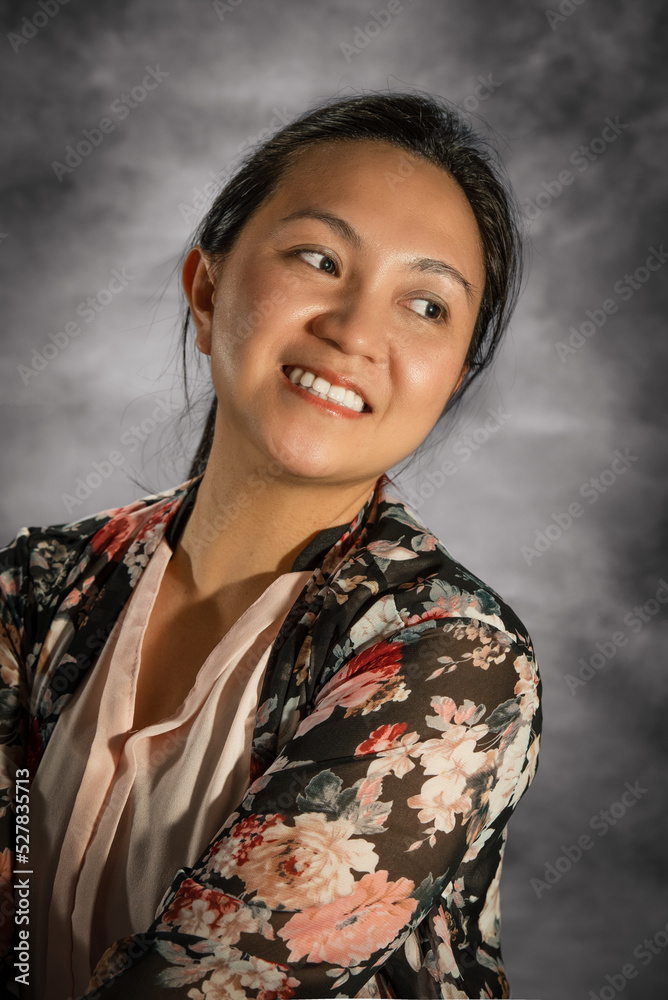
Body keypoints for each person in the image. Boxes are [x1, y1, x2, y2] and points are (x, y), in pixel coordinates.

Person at [0, 91, 541, 1000]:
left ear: (450, 383)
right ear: (208, 291)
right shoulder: (38, 586)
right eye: (319, 259)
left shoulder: (451, 662)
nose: (356, 332)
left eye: (425, 304)